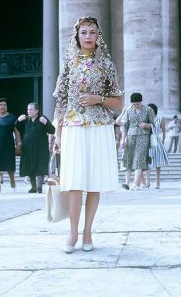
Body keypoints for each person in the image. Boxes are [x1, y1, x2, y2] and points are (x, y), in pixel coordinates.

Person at [53, 16, 123, 253]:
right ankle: (72, 233)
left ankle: (87, 233)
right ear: (77, 35)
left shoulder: (107, 64)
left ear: (98, 35)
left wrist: (98, 99)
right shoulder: (69, 63)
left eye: (92, 32)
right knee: (74, 181)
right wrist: (58, 133)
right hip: (72, 126)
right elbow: (60, 101)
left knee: (94, 182)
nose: (88, 36)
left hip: (100, 126)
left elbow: (117, 102)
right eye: (84, 32)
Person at [118, 93, 155, 190]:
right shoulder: (129, 110)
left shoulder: (148, 110)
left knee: (139, 159)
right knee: (129, 159)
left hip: (143, 137)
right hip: (130, 137)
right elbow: (125, 126)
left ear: (141, 102)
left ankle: (135, 184)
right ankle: (129, 183)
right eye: (134, 104)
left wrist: (146, 125)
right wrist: (123, 139)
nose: (136, 106)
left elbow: (154, 125)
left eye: (137, 104)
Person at [17, 102, 54, 193]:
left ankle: (39, 187)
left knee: (40, 166)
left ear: (37, 110)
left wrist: (46, 123)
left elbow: (52, 130)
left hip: (40, 148)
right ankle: (33, 187)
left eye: (31, 109)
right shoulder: (26, 119)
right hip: (27, 147)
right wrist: (18, 120)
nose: (28, 111)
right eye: (28, 109)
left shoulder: (42, 118)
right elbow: (15, 128)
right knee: (30, 167)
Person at [147, 103, 169, 189]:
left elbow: (163, 132)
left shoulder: (160, 119)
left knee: (157, 163)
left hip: (157, 141)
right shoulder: (146, 119)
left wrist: (163, 141)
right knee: (146, 162)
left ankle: (157, 182)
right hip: (147, 141)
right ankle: (147, 182)